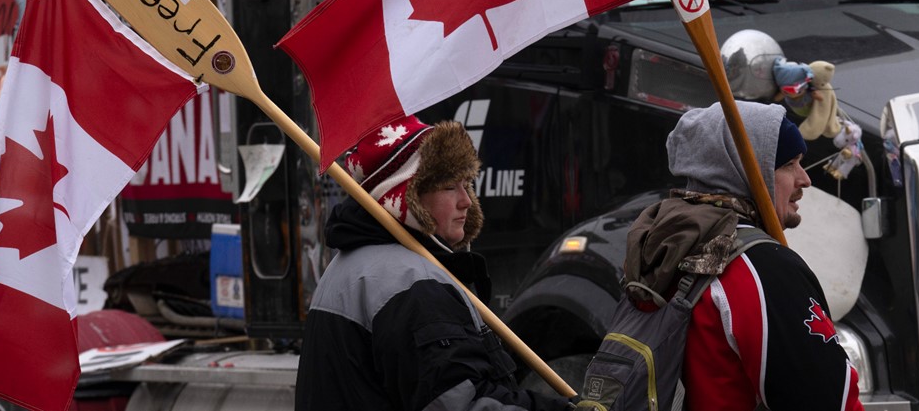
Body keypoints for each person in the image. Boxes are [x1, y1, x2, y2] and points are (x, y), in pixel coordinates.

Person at [296, 115, 573, 411]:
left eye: (467, 184)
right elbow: (462, 404)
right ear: (405, 195)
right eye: (449, 186)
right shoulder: (412, 285)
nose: (466, 200)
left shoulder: (350, 265)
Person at [626, 101, 862, 411]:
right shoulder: (761, 268)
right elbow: (831, 402)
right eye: (789, 164)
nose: (805, 179)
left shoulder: (661, 247)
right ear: (748, 171)